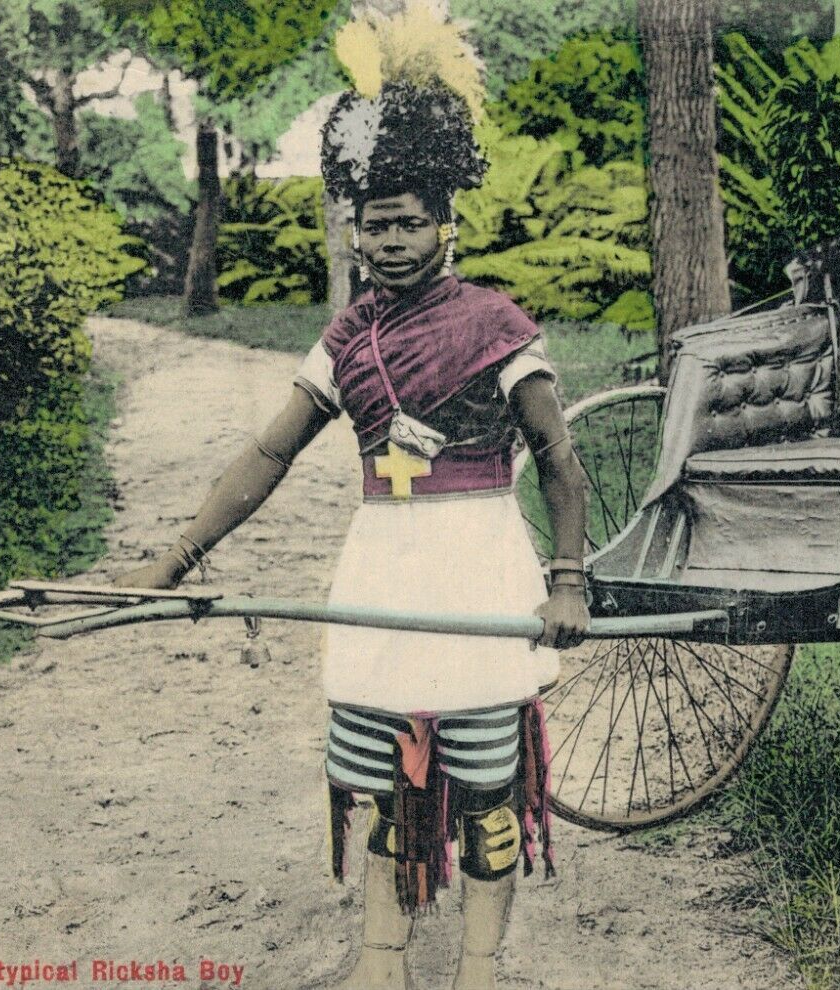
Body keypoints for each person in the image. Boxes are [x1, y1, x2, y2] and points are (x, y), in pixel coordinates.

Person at [112, 7, 590, 988]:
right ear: (352, 228)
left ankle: (481, 966)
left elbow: (556, 455)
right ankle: (382, 961)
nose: (391, 241)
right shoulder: (344, 338)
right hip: (379, 566)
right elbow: (268, 450)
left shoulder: (494, 323)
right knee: (379, 787)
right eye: (374, 224)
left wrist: (570, 580)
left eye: (410, 222)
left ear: (446, 225)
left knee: (486, 790)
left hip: (479, 573)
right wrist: (176, 556)